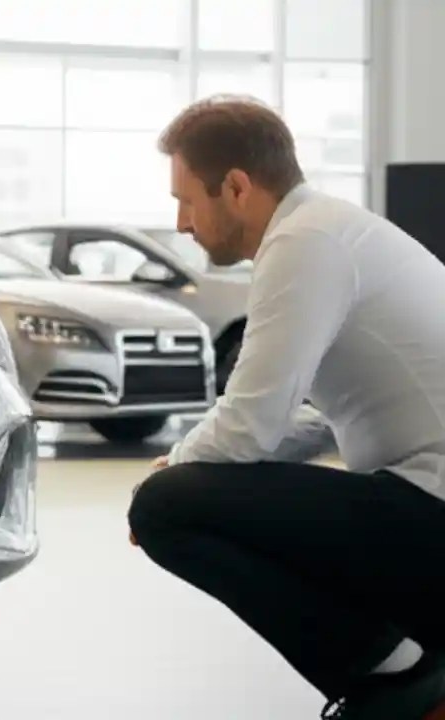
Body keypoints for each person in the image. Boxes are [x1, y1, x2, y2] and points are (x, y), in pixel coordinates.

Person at [127, 95, 445, 720]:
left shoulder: (304, 244)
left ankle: (404, 679)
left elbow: (246, 426)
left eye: (186, 201)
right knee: (198, 490)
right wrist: (190, 463)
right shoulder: (330, 230)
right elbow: (320, 415)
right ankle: (401, 666)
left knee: (167, 508)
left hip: (431, 514)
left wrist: (172, 474)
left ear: (237, 187)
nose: (184, 224)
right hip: (420, 504)